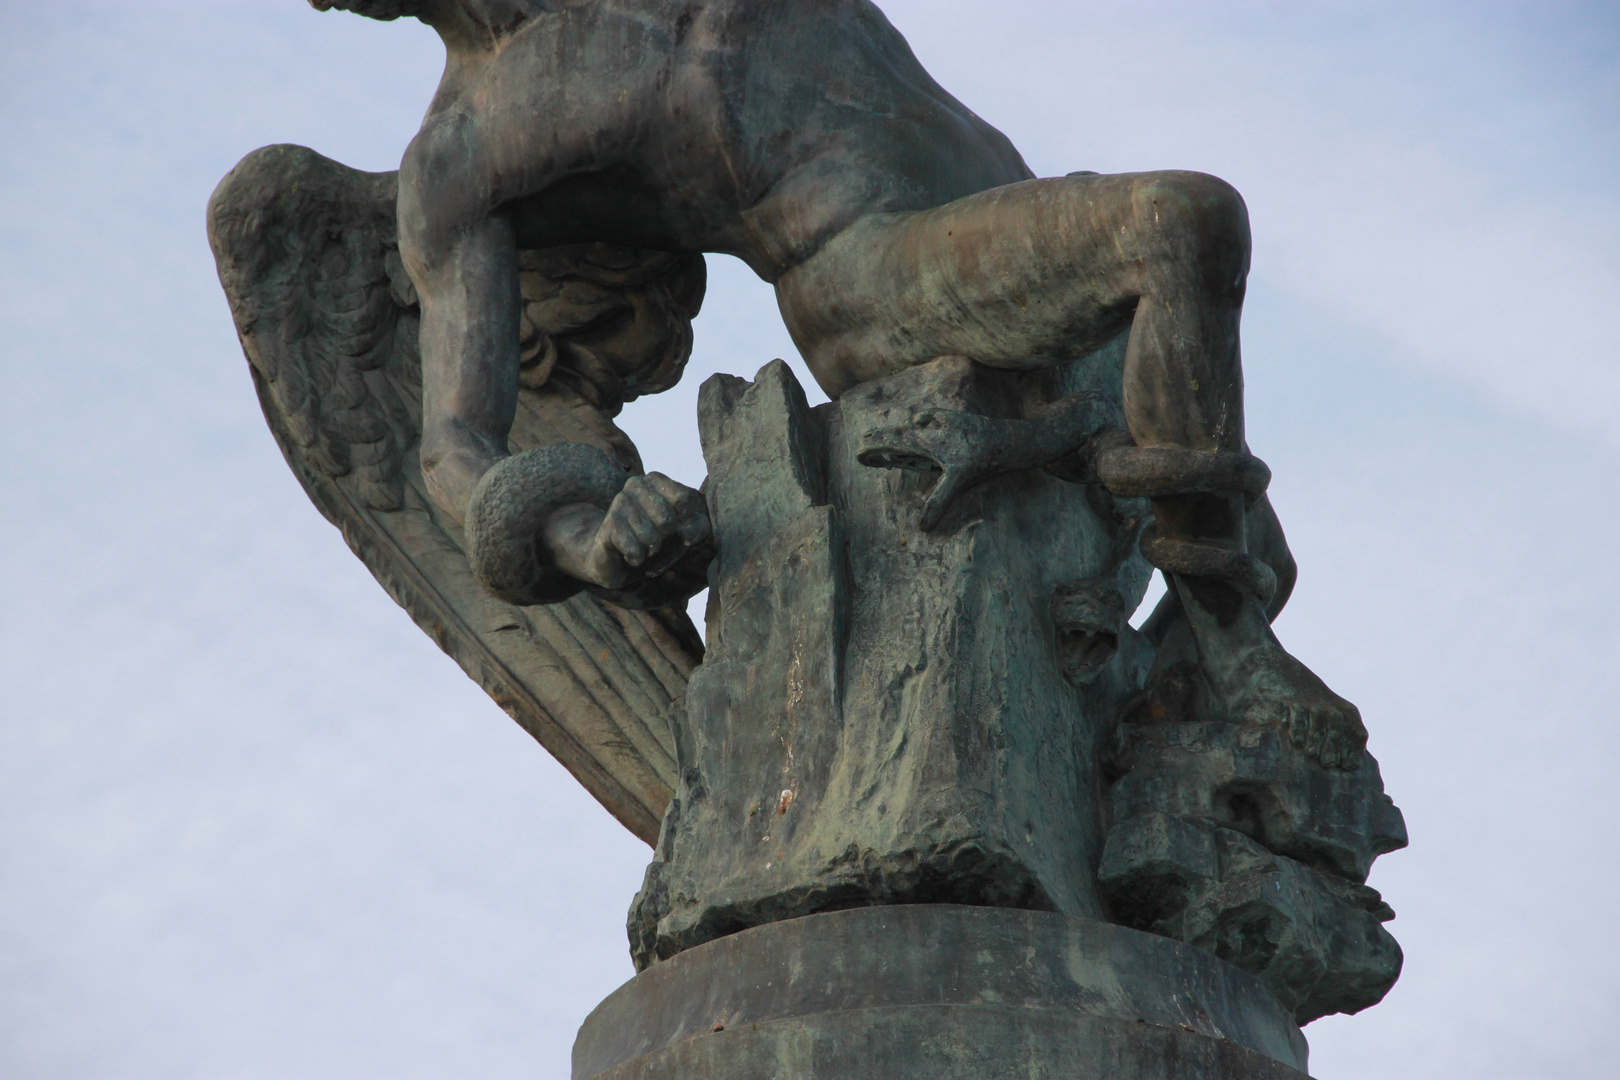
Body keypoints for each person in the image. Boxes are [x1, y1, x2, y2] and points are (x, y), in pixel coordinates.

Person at [312, 0, 1366, 768]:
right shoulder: (466, 151)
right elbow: (454, 448)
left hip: (1031, 240)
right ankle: (1234, 647)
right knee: (1180, 225)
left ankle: (1169, 702)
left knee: (1254, 533)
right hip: (875, 270)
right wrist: (587, 535)